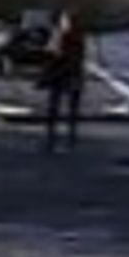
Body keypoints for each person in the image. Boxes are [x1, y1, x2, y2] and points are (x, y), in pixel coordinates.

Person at [41, 10, 88, 152]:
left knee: (64, 105)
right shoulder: (63, 35)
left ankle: (65, 135)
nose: (68, 23)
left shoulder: (71, 36)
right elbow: (51, 54)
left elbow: (53, 54)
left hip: (67, 72)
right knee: (58, 105)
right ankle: (58, 135)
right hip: (64, 72)